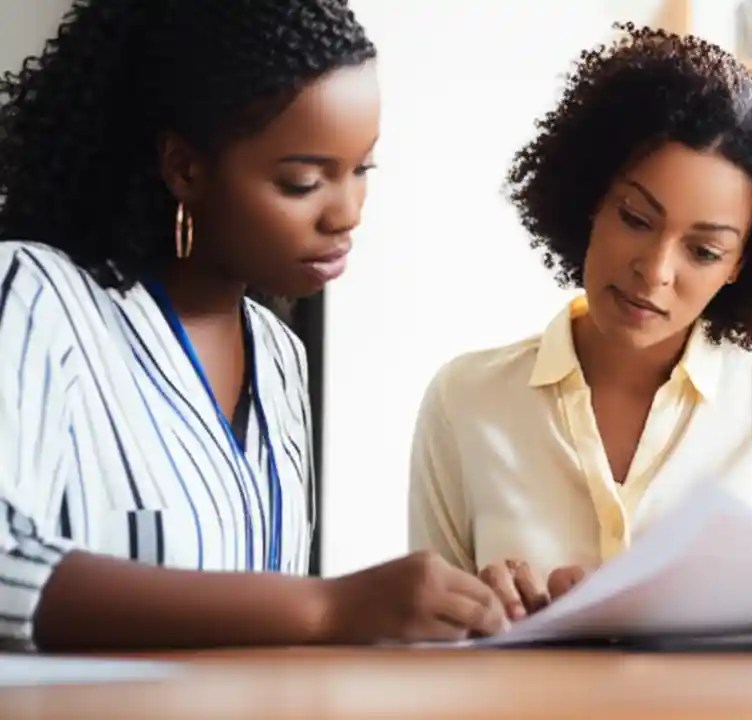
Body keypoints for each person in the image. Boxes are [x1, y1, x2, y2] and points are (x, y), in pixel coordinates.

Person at [0, 0, 507, 652]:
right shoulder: (33, 297)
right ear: (185, 168)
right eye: (302, 181)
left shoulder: (277, 356)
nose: (346, 212)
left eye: (362, 170)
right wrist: (326, 608)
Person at [408, 23, 752, 619]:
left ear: (739, 267)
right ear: (593, 200)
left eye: (702, 252)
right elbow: (425, 644)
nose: (654, 271)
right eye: (635, 217)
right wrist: (479, 620)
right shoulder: (465, 400)